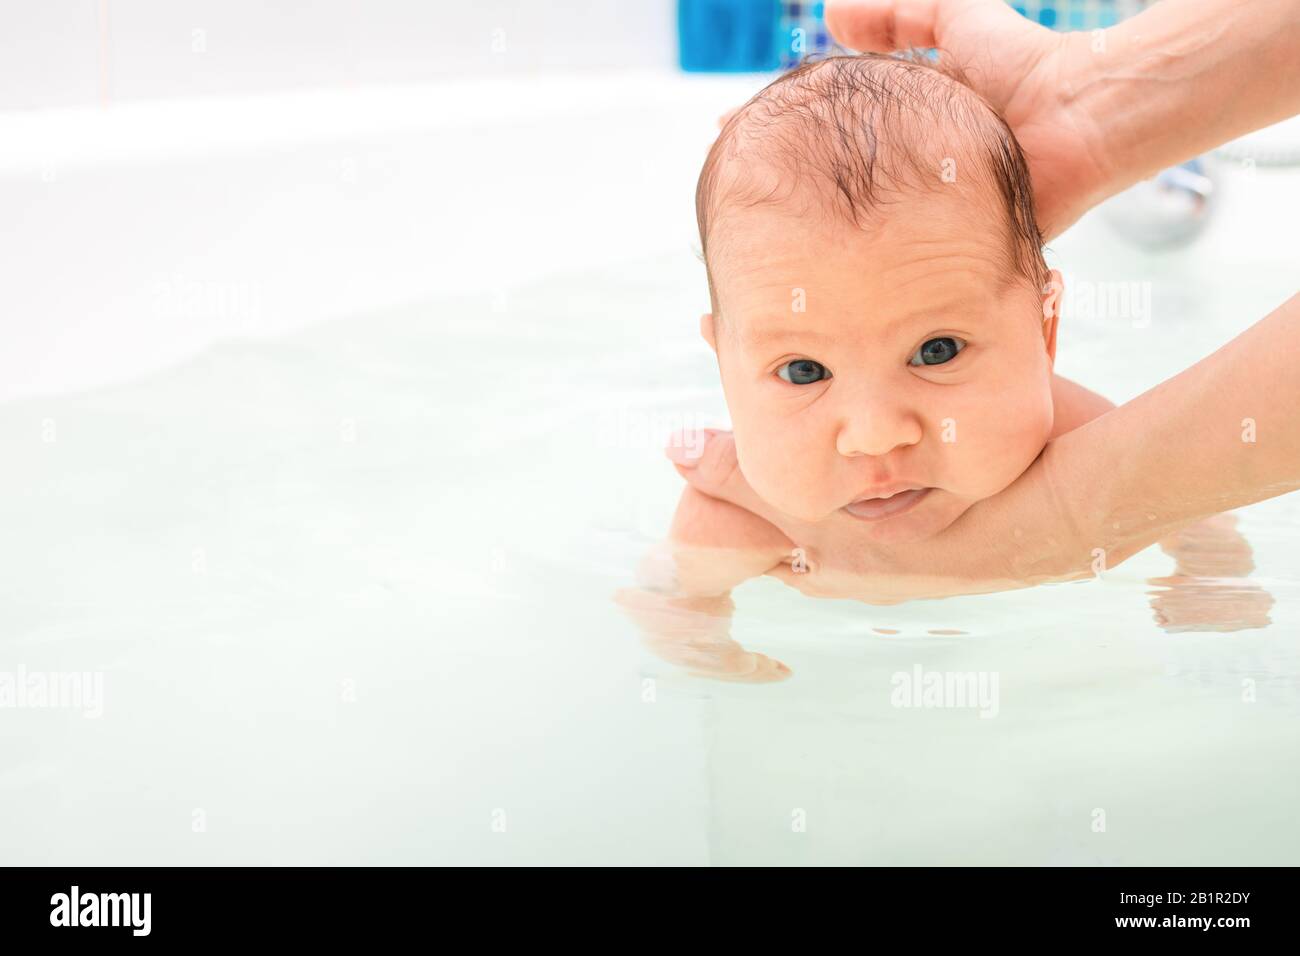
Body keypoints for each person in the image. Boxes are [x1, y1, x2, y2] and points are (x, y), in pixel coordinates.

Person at [665, 0, 1300, 605]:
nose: (876, 435)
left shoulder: (1072, 433)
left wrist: (1209, 578)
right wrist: (706, 644)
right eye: (803, 371)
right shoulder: (741, 515)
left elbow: (1197, 518)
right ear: (724, 366)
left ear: (1045, 332)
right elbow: (679, 606)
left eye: (935, 352)